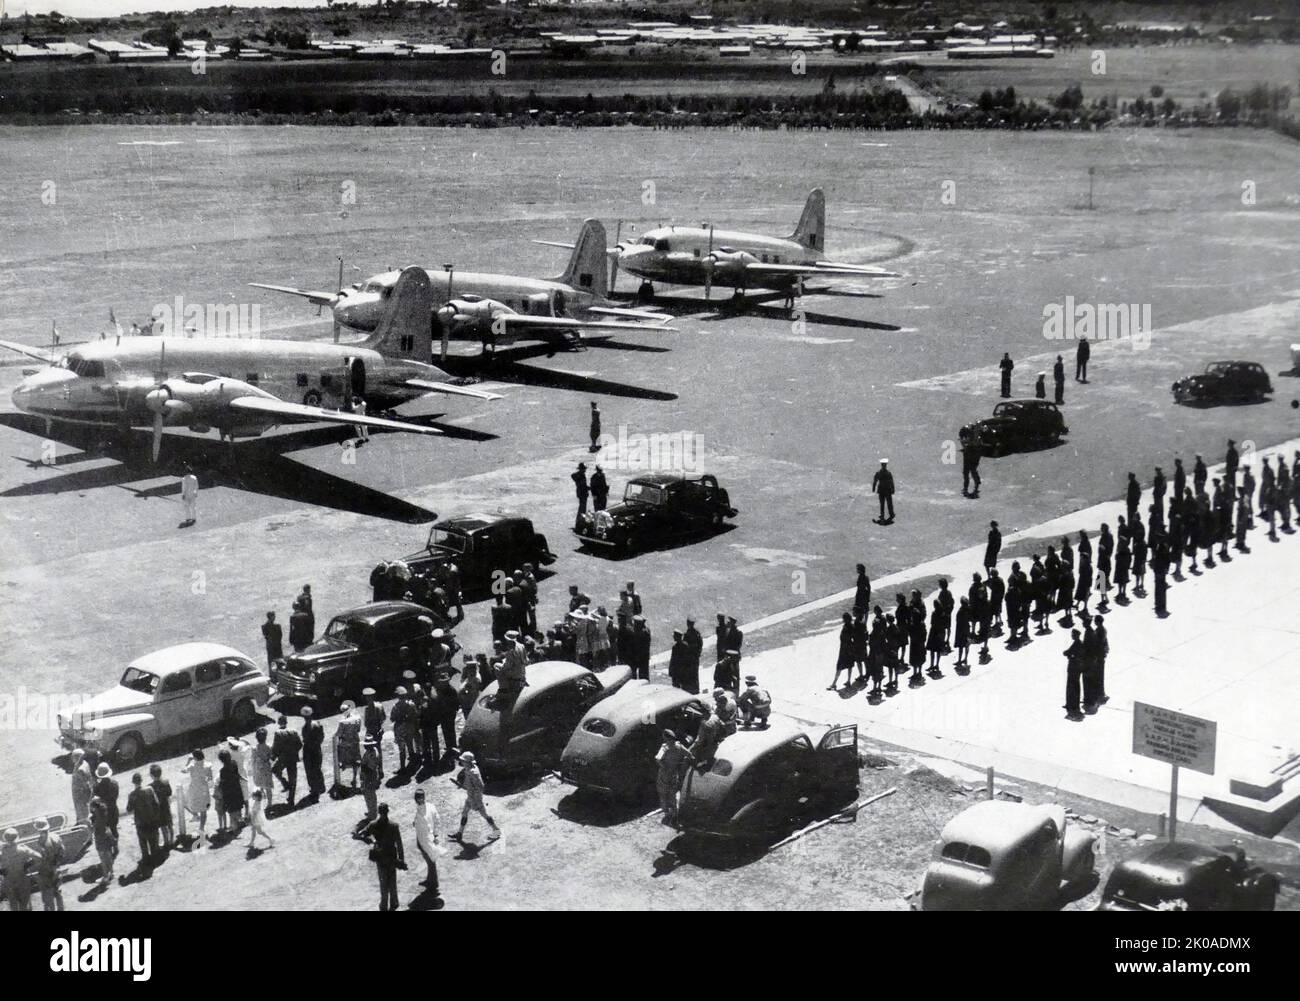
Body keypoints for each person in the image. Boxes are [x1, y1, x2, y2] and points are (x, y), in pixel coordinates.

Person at [359, 803, 406, 912]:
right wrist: (401, 859)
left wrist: (369, 840)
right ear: (387, 812)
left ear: (379, 812)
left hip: (380, 857)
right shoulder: (394, 826)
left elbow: (362, 834)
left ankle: (384, 906)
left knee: (383, 883)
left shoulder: (373, 824)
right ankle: (394, 903)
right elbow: (399, 844)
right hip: (391, 857)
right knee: (392, 882)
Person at [452, 752, 500, 842]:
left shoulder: (473, 772)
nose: (462, 762)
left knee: (484, 814)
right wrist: (461, 785)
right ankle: (459, 833)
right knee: (464, 812)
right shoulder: (469, 768)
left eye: (463, 761)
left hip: (475, 798)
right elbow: (468, 782)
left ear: (468, 762)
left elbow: (480, 786)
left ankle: (497, 831)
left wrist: (475, 800)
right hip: (470, 796)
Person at [655, 731, 691, 826]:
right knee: (673, 794)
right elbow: (689, 754)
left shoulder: (665, 747)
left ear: (666, 738)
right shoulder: (679, 746)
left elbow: (658, 758)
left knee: (663, 793)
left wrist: (664, 767)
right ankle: (675, 814)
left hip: (664, 774)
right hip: (674, 773)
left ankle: (667, 813)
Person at [125, 772, 161, 867]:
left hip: (140, 821)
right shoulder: (149, 789)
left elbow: (129, 809)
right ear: (141, 780)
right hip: (151, 819)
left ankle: (146, 859)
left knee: (143, 841)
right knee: (153, 840)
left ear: (133, 782)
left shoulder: (132, 795)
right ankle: (155, 858)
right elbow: (156, 803)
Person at [413, 788, 443, 897]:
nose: (419, 800)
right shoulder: (431, 806)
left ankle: (433, 883)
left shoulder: (421, 810)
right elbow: (437, 820)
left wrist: (434, 835)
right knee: (430, 860)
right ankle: (430, 880)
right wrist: (436, 834)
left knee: (431, 861)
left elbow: (424, 824)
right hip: (428, 838)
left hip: (425, 840)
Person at [1, 828, 39, 911]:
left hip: (9, 880)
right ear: (17, 837)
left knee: (13, 905)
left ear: (4, 838)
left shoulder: (1, 851)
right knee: (25, 906)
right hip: (22, 878)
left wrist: (1, 871)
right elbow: (38, 857)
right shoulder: (23, 849)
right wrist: (27, 865)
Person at [31, 819, 65, 911]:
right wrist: (57, 863)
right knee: (58, 892)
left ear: (38, 829)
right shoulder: (56, 837)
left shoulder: (40, 842)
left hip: (45, 870)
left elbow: (39, 858)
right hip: (56, 868)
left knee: (47, 895)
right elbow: (62, 852)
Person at [182, 749, 213, 848]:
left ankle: (195, 815)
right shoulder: (208, 765)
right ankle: (201, 827)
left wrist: (188, 761)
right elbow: (210, 778)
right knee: (203, 809)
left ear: (195, 757)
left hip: (194, 788)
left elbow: (183, 770)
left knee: (185, 803)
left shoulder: (192, 765)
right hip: (203, 789)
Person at [270, 716, 301, 808]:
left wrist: (274, 756)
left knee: (275, 770)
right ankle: (291, 799)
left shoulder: (278, 733)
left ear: (279, 723)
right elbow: (299, 744)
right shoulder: (294, 731)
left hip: (283, 758)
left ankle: (285, 783)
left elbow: (275, 748)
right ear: (286, 722)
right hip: (293, 757)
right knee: (293, 778)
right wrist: (294, 752)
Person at [88, 795, 117, 887]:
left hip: (100, 836)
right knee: (108, 854)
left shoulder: (95, 817)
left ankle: (105, 877)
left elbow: (93, 828)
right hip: (107, 833)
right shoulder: (104, 811)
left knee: (102, 857)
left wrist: (89, 822)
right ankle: (111, 873)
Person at [302, 706, 326, 802]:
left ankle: (315, 790)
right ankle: (320, 787)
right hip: (315, 750)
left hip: (310, 750)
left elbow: (306, 739)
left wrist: (313, 744)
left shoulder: (306, 727)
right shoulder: (317, 724)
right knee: (316, 769)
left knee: (312, 770)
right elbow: (322, 736)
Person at [217, 750, 246, 833]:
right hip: (237, 789)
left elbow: (223, 783)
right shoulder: (234, 763)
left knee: (231, 810)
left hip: (229, 793)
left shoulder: (223, 771)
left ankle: (234, 826)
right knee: (238, 806)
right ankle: (240, 821)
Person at [391, 687, 418, 772]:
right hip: (409, 727)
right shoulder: (411, 704)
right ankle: (413, 765)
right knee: (410, 746)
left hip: (399, 729)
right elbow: (415, 715)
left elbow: (392, 718)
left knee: (402, 749)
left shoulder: (395, 706)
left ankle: (403, 767)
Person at [148, 764, 174, 849]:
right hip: (166, 805)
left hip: (158, 808)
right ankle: (171, 840)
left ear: (151, 775)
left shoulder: (150, 786)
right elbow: (169, 793)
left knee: (163, 825)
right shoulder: (165, 782)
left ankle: (166, 842)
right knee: (169, 823)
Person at [93, 762, 120, 838]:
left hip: (102, 813)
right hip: (113, 811)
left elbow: (94, 796)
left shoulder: (97, 785)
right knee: (114, 830)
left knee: (104, 833)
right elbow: (115, 796)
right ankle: (115, 845)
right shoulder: (114, 783)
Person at [359, 739, 383, 821]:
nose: (364, 745)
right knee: (369, 794)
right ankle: (371, 811)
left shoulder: (371, 754)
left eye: (366, 744)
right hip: (370, 775)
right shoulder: (373, 750)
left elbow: (370, 768)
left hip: (370, 776)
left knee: (370, 795)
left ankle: (372, 814)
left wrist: (362, 766)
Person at [250, 727, 274, 808]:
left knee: (259, 785)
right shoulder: (269, 746)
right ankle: (269, 803)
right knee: (268, 787)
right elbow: (271, 757)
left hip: (258, 768)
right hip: (267, 768)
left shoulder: (254, 748)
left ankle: (260, 802)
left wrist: (253, 769)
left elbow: (253, 760)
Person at [1063, 629, 1084, 720]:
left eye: (1073, 634)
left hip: (1074, 667)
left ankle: (1072, 705)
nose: (1072, 636)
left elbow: (1067, 652)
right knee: (1073, 686)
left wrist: (1069, 654)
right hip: (1076, 667)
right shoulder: (1078, 643)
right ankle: (1072, 704)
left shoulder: (1077, 643)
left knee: (1072, 686)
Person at [69, 747, 92, 823]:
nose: (72, 758)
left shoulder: (80, 769)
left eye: (74, 756)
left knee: (82, 810)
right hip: (80, 791)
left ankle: (84, 824)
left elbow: (84, 784)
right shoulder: (84, 763)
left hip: (80, 793)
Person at [871, 458, 895, 524]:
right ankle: (891, 514)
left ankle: (882, 515)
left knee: (882, 504)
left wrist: (873, 488)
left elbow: (875, 481)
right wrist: (893, 489)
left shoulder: (878, 473)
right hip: (887, 490)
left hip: (881, 490)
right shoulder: (888, 473)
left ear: (881, 465)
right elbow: (891, 482)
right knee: (889, 503)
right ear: (886, 465)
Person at [961, 432, 982, 497]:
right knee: (971, 472)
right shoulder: (977, 442)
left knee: (968, 472)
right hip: (971, 458)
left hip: (970, 458)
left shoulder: (974, 443)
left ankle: (968, 488)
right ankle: (974, 487)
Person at [954, 597, 971, 668]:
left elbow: (957, 620)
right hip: (966, 628)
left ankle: (959, 660)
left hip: (960, 630)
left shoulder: (960, 611)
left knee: (961, 646)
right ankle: (965, 658)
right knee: (966, 645)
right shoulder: (968, 610)